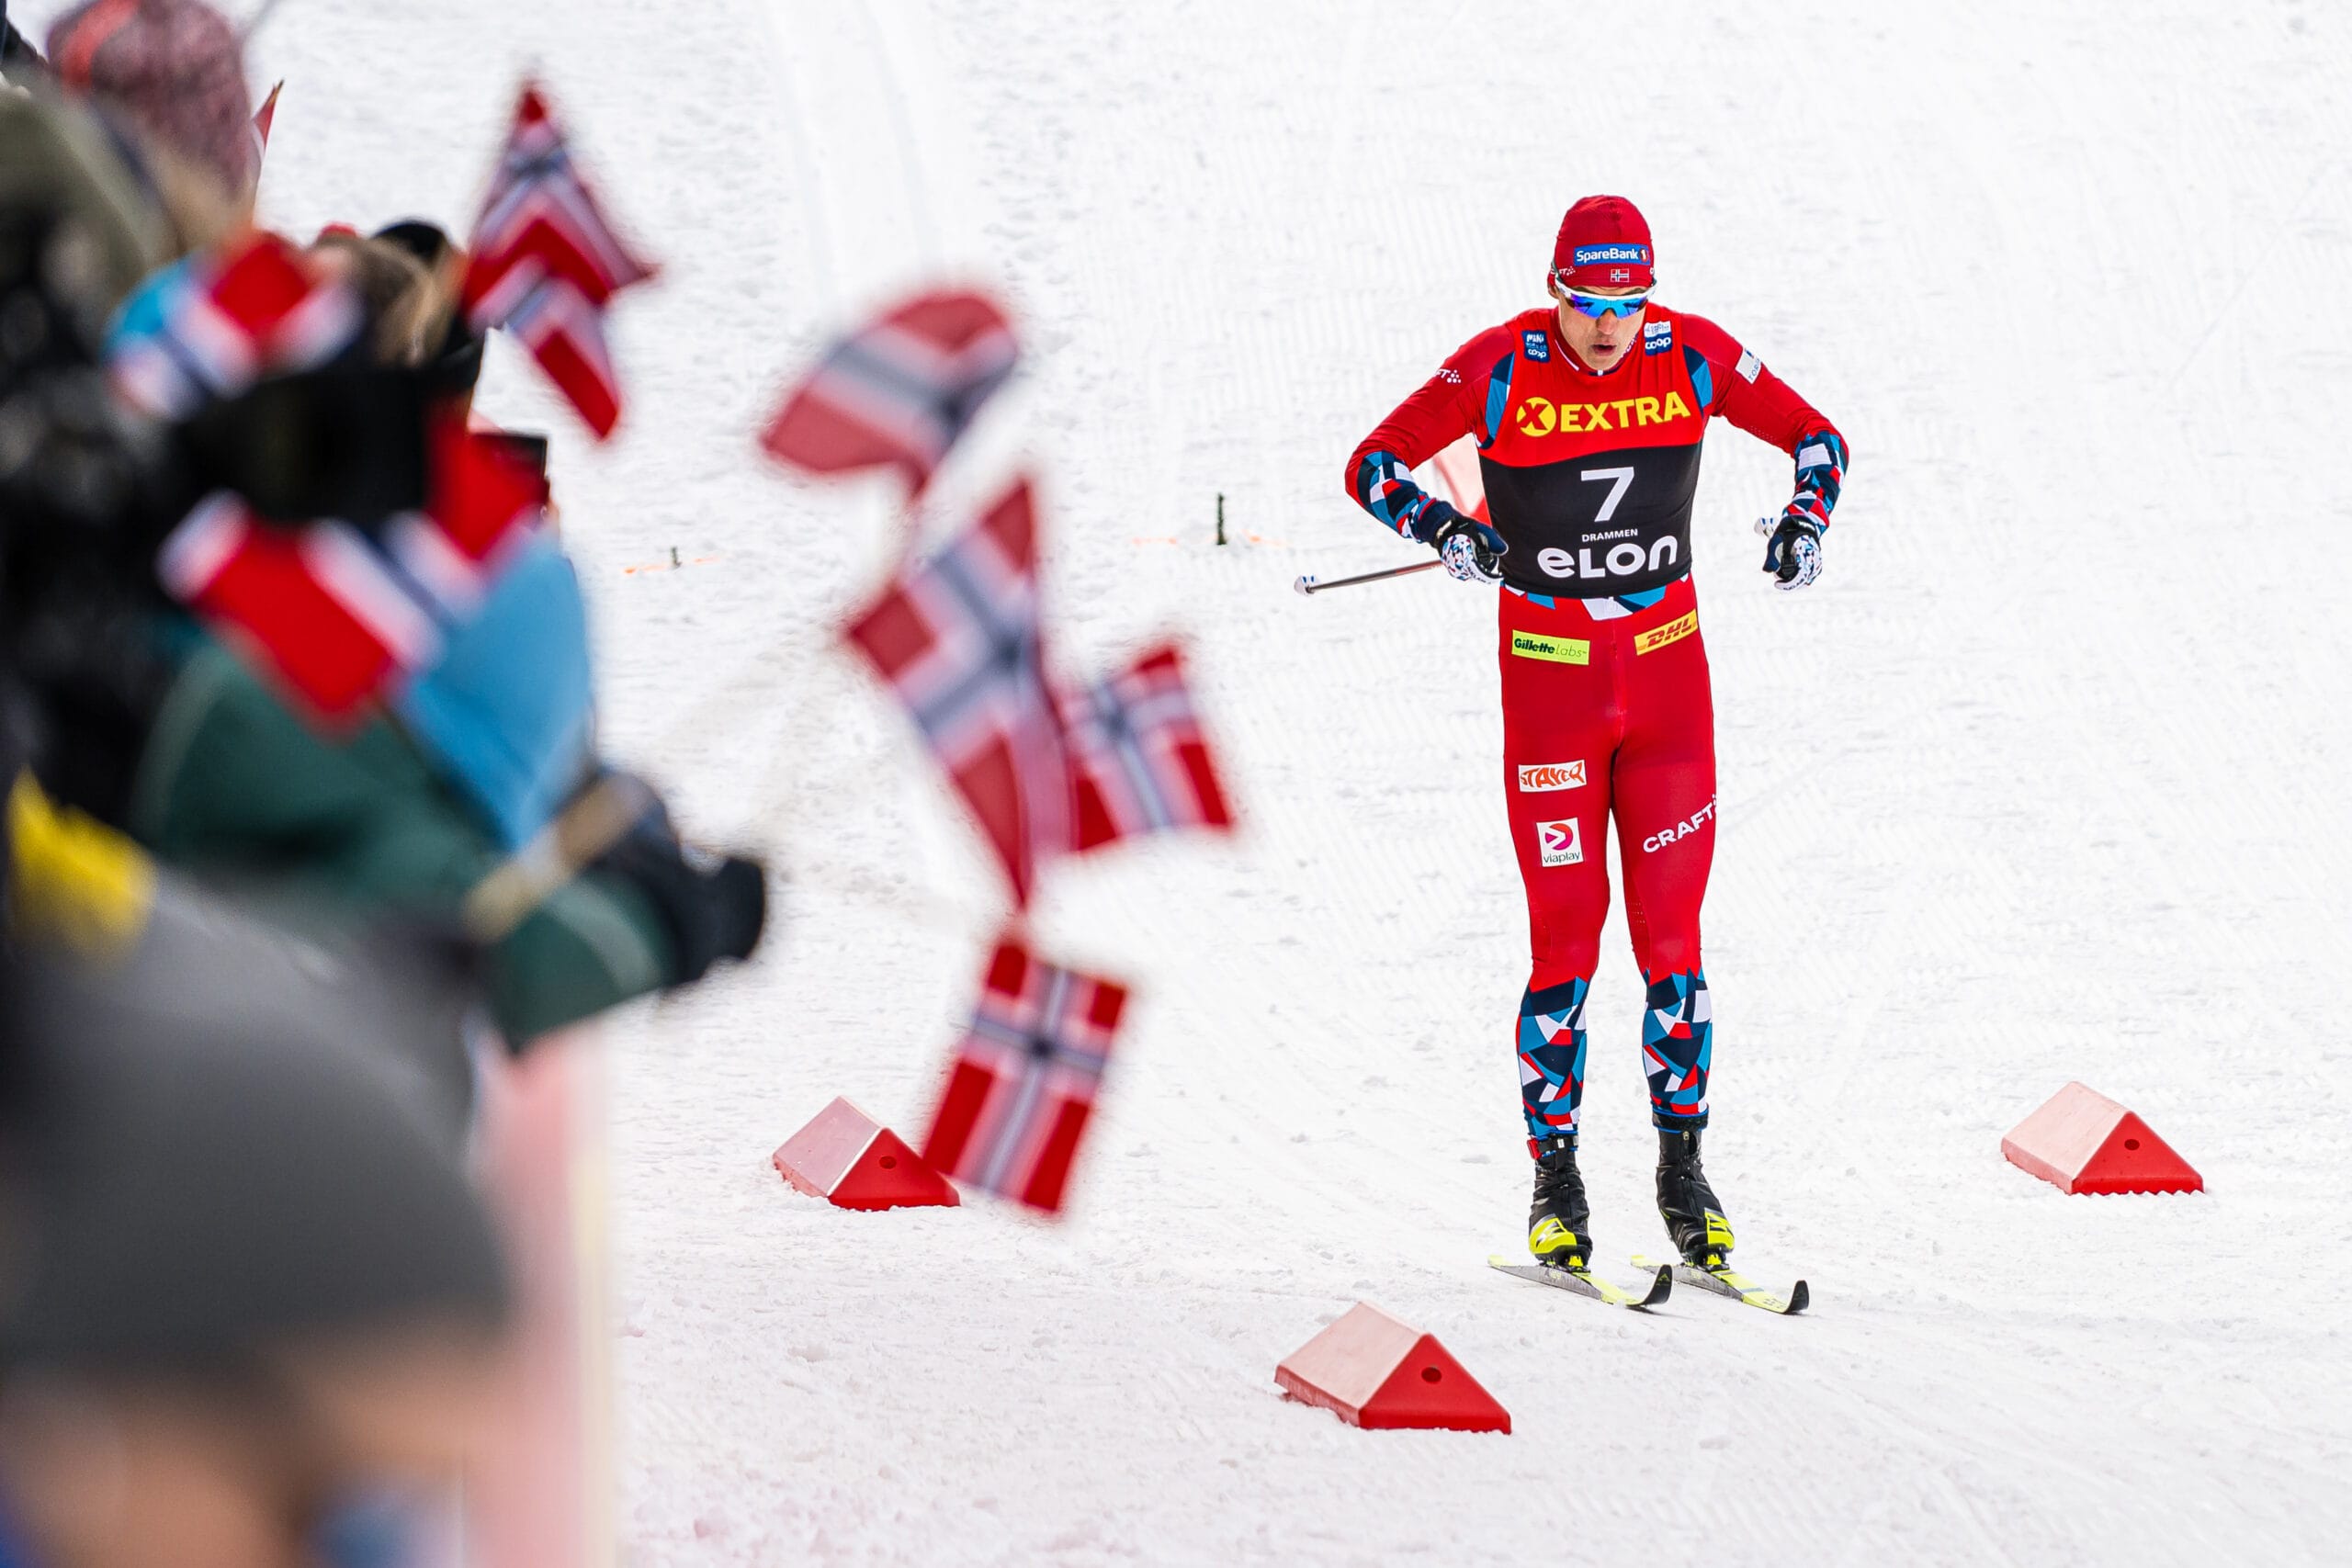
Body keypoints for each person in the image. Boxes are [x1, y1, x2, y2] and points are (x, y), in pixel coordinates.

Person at [1342, 194, 1849, 1274]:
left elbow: (1819, 438)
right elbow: (1371, 464)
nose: (1609, 325)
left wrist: (1805, 522)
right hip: (1553, 697)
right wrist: (1445, 529)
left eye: (1628, 300)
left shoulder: (1693, 357)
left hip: (1668, 695)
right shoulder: (1499, 366)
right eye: (1587, 302)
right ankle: (1556, 1184)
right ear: (1554, 291)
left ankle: (1682, 1172)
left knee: (1673, 948)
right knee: (1564, 944)